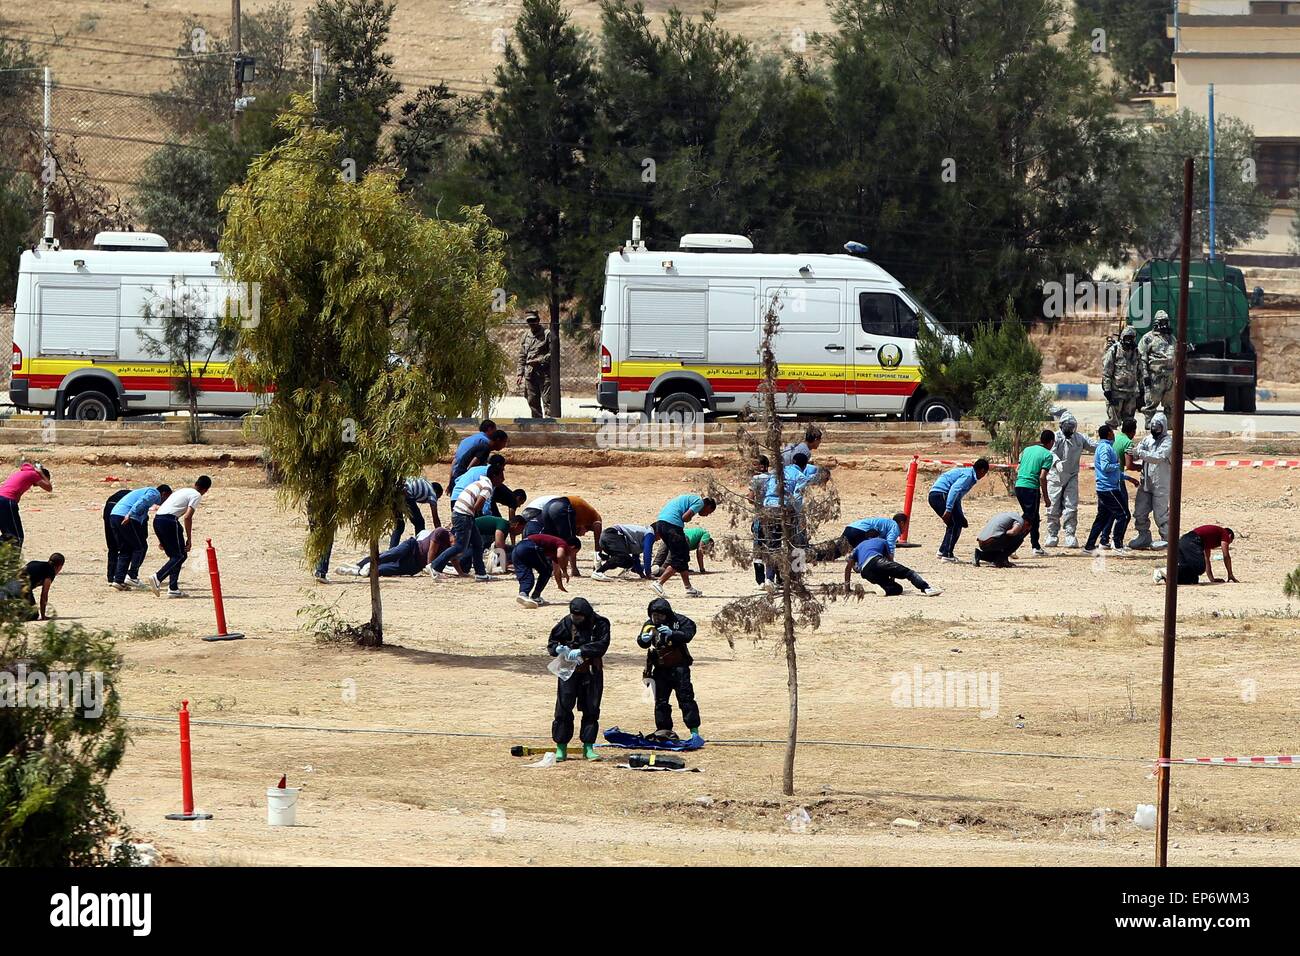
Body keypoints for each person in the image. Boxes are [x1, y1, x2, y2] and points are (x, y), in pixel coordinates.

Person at [548, 597, 610, 761]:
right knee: (563, 707)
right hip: (569, 671)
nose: (576, 620)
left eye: (579, 617)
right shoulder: (567, 622)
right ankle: (561, 747)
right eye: (574, 617)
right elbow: (552, 642)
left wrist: (582, 650)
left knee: (591, 708)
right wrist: (558, 649)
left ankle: (588, 747)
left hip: (590, 671)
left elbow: (602, 645)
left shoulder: (601, 623)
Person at [638, 598, 701, 740]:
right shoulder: (649, 625)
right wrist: (644, 639)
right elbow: (641, 642)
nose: (657, 619)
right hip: (660, 670)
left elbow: (689, 634)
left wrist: (673, 633)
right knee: (661, 702)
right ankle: (663, 731)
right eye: (654, 616)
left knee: (686, 699)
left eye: (660, 616)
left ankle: (694, 731)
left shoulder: (680, 621)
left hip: (679, 668)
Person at [430, 464, 502, 581]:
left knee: (478, 543)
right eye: (501, 476)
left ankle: (480, 573)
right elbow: (478, 506)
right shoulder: (488, 487)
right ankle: (434, 566)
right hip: (464, 515)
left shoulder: (482, 481)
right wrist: (476, 511)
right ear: (494, 476)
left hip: (462, 513)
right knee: (460, 546)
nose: (503, 479)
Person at [150, 475, 211, 597]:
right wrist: (189, 538)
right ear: (206, 490)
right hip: (169, 521)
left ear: (195, 483)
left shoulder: (183, 490)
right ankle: (158, 577)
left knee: (177, 556)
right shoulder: (196, 495)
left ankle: (173, 588)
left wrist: (162, 538)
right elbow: (188, 517)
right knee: (179, 556)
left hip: (158, 520)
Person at [1082, 425, 1138, 555]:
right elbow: (1106, 467)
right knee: (1123, 515)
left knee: (1102, 518)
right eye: (1112, 432)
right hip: (1108, 488)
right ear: (1108, 434)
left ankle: (1089, 546)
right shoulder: (1105, 448)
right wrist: (1118, 464)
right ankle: (1117, 545)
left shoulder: (1106, 447)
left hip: (1107, 487)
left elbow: (1113, 472)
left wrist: (1128, 478)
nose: (1114, 434)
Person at [1045, 411, 1097, 549]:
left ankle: (1070, 534)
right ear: (1061, 425)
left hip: (1072, 476)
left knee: (1071, 506)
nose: (1070, 429)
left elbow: (1093, 446)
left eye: (1072, 426)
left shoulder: (1079, 438)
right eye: (1067, 426)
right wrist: (1056, 462)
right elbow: (1049, 452)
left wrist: (1107, 445)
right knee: (1053, 506)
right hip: (1055, 476)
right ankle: (1052, 534)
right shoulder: (1055, 437)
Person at [651, 494, 716, 597]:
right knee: (679, 558)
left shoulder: (690, 498)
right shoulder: (700, 502)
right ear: (708, 506)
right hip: (672, 526)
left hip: (661, 524)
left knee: (683, 557)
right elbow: (685, 517)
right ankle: (658, 583)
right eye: (709, 512)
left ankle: (688, 588)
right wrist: (689, 518)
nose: (707, 515)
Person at [110, 485, 172, 590]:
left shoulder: (145, 492)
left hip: (114, 516)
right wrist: (129, 514)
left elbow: (142, 513)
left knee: (125, 549)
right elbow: (142, 501)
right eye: (167, 498)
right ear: (164, 494)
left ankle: (119, 580)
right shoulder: (154, 493)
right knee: (140, 547)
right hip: (125, 516)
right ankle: (132, 576)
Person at [927, 459, 989, 561]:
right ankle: (947, 554)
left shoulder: (968, 473)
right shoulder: (968, 476)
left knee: (957, 522)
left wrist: (960, 515)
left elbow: (957, 497)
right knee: (954, 524)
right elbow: (954, 490)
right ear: (982, 470)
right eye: (985, 473)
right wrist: (948, 509)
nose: (983, 476)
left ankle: (942, 551)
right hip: (940, 495)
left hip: (938, 495)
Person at [1127, 412, 1172, 550]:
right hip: (1146, 483)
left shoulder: (1168, 442)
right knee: (1140, 511)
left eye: (1158, 427)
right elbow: (1137, 450)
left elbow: (1158, 457)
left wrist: (1140, 453)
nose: (1155, 430)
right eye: (1153, 427)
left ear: (1163, 427)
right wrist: (1134, 452)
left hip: (1161, 484)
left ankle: (1167, 538)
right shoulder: (1147, 440)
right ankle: (1143, 536)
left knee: (1161, 514)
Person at [843, 534, 940, 596]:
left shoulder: (858, 547)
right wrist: (893, 578)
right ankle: (926, 588)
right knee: (908, 573)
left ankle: (882, 589)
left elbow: (848, 567)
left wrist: (847, 588)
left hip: (865, 572)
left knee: (898, 588)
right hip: (877, 561)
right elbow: (890, 560)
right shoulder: (882, 541)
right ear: (877, 535)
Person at [337, 528, 450, 577]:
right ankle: (360, 565)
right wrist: (430, 567)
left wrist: (461, 573)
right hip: (412, 547)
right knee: (388, 555)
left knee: (384, 570)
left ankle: (355, 571)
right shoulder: (441, 532)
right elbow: (432, 550)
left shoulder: (453, 547)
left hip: (415, 565)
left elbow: (453, 559)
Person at [1013, 431, 1054, 557]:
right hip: (1031, 488)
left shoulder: (1027, 450)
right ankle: (1011, 544)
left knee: (1034, 517)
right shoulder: (1047, 455)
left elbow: (1017, 469)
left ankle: (1036, 546)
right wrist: (1046, 498)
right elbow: (1042, 477)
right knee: (1028, 518)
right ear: (1051, 442)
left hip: (1019, 486)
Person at [1100, 418, 1138, 549]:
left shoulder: (1116, 439)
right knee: (1123, 513)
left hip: (1107, 481)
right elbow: (1129, 465)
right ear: (1133, 431)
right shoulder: (1128, 442)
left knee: (1111, 511)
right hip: (1118, 481)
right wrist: (1141, 467)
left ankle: (1104, 539)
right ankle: (1118, 542)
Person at [1155, 525, 1238, 586]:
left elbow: (1206, 559)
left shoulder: (1209, 539)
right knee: (1199, 567)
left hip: (1183, 541)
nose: (1227, 543)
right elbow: (1226, 555)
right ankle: (1168, 571)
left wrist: (1212, 579)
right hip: (1192, 540)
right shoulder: (1225, 533)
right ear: (1230, 536)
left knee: (1193, 578)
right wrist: (1230, 574)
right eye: (1229, 542)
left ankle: (1167, 576)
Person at [0, 461, 52, 550]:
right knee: (17, 537)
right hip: (6, 501)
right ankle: (13, 563)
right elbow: (49, 488)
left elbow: (17, 495)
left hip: (3, 499)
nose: (38, 485)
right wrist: (41, 473)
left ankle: (3, 558)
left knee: (7, 535)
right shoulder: (33, 474)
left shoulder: (23, 473)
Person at [1139, 310, 1177, 428]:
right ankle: (1150, 425)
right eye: (1162, 322)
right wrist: (1145, 375)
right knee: (1151, 403)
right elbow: (1142, 358)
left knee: (1170, 404)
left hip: (1170, 376)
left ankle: (1169, 426)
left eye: (1166, 322)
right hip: (1155, 377)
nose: (1164, 324)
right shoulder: (1148, 338)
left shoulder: (1172, 338)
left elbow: (1176, 354)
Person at [514, 532, 570, 608]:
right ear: (573, 547)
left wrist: (560, 585)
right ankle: (535, 596)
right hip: (530, 546)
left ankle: (523, 594)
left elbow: (556, 571)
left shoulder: (553, 550)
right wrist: (565, 571)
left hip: (517, 549)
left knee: (527, 576)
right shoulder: (563, 544)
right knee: (546, 570)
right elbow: (560, 556)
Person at [516, 310, 556, 418]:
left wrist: (539, 360)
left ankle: (549, 425)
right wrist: (520, 373)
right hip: (530, 374)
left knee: (547, 401)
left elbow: (553, 354)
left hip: (544, 374)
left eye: (534, 320)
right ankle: (537, 424)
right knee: (532, 401)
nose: (532, 323)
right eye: (529, 321)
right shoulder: (525, 336)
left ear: (538, 320)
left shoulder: (547, 334)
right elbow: (522, 356)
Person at [389, 476, 442, 550]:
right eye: (437, 497)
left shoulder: (425, 481)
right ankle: (419, 550)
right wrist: (441, 533)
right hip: (406, 494)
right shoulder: (432, 492)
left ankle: (391, 551)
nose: (436, 499)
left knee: (399, 526)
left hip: (394, 493)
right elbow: (435, 518)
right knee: (419, 523)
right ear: (436, 491)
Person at [1103, 327, 1141, 428]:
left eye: (1131, 338)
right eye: (1127, 338)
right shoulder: (1114, 350)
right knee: (1113, 422)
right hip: (1116, 392)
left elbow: (1140, 371)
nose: (1129, 341)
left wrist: (1142, 388)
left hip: (1131, 393)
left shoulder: (1136, 352)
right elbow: (1107, 372)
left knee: (1129, 422)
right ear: (1122, 338)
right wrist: (1107, 390)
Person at [19, 552, 63, 620]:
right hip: (21, 588)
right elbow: (44, 595)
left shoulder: (37, 564)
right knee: (33, 615)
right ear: (60, 567)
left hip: (10, 583)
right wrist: (43, 616)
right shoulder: (50, 572)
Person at [102, 488, 129, 583]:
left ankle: (111, 576)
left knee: (112, 546)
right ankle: (120, 577)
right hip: (118, 512)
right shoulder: (144, 499)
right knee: (125, 547)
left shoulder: (130, 494)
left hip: (108, 509)